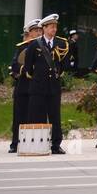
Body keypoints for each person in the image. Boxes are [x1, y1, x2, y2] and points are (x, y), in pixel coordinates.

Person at [24, 14, 73, 153]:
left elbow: (65, 64)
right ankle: (38, 143)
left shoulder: (61, 44)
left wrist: (58, 73)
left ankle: (56, 145)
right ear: (44, 28)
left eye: (55, 27)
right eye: (51, 27)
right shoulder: (34, 44)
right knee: (37, 114)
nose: (54, 29)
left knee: (54, 116)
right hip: (38, 85)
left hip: (53, 86)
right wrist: (38, 76)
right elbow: (28, 66)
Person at [9, 19, 40, 153]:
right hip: (23, 86)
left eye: (40, 30)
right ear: (29, 32)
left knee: (36, 116)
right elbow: (14, 65)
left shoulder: (45, 47)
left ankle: (36, 142)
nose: (38, 33)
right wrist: (26, 70)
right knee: (19, 116)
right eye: (35, 31)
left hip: (38, 87)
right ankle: (15, 143)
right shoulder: (22, 47)